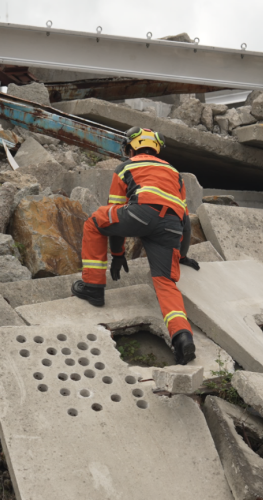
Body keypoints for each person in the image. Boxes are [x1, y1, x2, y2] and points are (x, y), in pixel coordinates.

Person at [70, 127, 201, 365]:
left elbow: (115, 213)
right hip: (170, 225)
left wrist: (118, 253)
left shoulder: (125, 167)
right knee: (165, 282)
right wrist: (181, 256)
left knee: (94, 222)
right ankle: (182, 336)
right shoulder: (174, 173)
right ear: (157, 149)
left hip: (140, 214)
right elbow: (185, 221)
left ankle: (93, 287)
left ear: (130, 148)